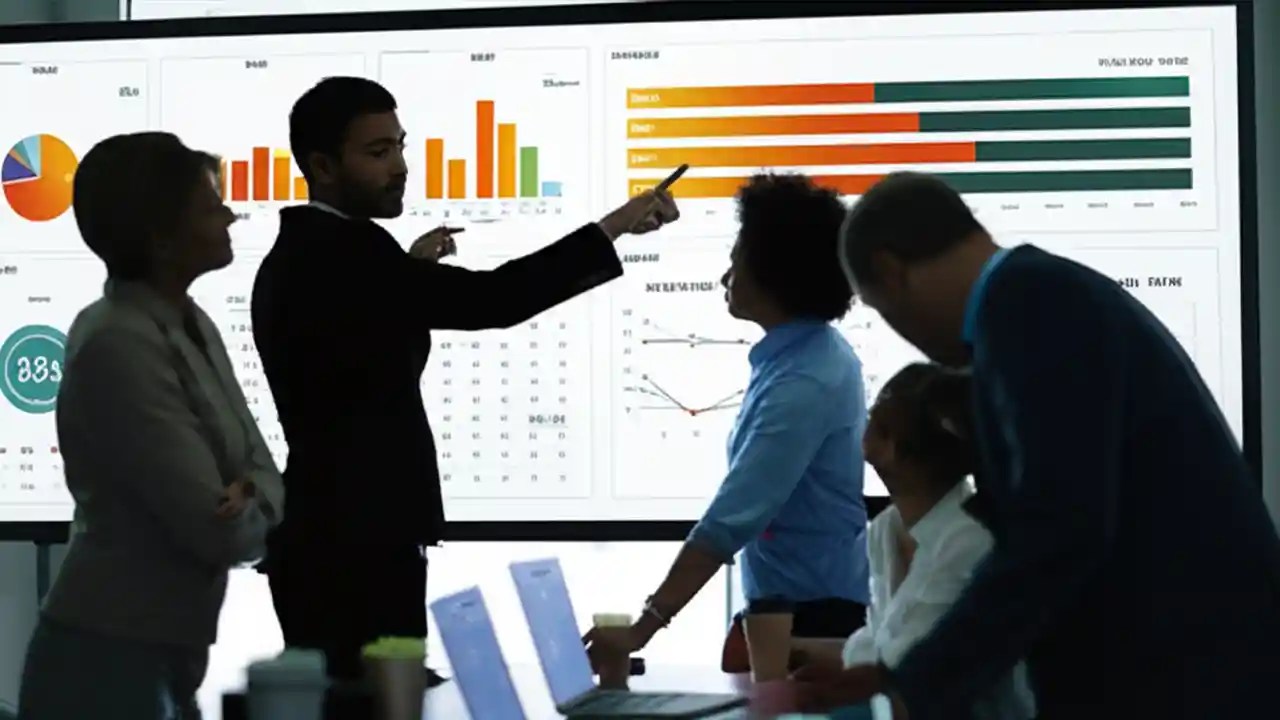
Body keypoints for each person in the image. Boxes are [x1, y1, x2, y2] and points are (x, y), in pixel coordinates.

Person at [251, 76, 678, 682]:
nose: (400, 167)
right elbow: (494, 300)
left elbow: (357, 347)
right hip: (354, 545)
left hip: (342, 534)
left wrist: (408, 271)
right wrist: (611, 227)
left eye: (401, 146)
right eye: (378, 153)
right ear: (320, 164)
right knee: (381, 701)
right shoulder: (345, 255)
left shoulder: (319, 252)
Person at [818, 171, 1280, 718]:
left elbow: (1058, 531)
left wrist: (916, 686)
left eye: (879, 310)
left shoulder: (1030, 307)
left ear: (891, 274)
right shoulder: (1036, 299)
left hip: (1183, 672)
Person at [17, 132, 284, 719]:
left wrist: (251, 495)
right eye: (212, 207)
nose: (231, 216)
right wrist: (254, 500)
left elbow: (259, 469)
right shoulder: (117, 341)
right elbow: (215, 529)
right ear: (161, 239)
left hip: (161, 649)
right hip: (107, 658)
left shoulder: (192, 321)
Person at [584, 173, 870, 674]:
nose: (725, 277)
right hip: (792, 612)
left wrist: (642, 628)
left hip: (814, 622)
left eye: (735, 261)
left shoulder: (805, 379)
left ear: (774, 272)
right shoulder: (799, 358)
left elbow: (730, 520)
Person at [795, 362, 1034, 720]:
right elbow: (880, 644)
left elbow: (914, 661)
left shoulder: (969, 538)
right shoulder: (885, 530)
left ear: (886, 446)